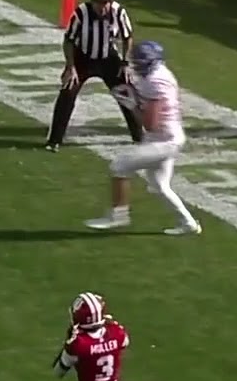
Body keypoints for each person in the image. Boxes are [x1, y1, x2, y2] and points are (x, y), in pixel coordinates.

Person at [84, 41, 201, 236]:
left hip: (164, 140)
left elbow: (150, 124)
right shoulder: (160, 74)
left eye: (139, 62)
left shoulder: (155, 82)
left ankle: (118, 215)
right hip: (168, 136)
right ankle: (188, 223)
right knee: (160, 186)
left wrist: (130, 104)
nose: (135, 65)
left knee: (119, 166)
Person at [46, 0, 144, 151]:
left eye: (106, 3)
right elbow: (69, 41)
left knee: (126, 92)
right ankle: (54, 140)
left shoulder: (118, 12)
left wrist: (125, 63)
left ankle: (139, 137)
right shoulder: (81, 13)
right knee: (67, 92)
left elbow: (127, 37)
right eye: (100, 3)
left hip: (108, 58)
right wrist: (70, 67)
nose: (103, 7)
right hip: (83, 57)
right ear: (93, 3)